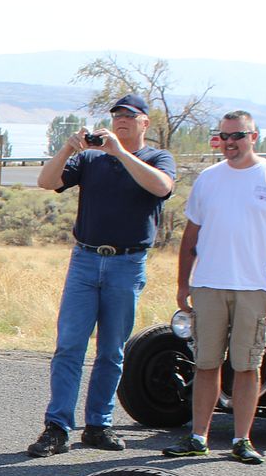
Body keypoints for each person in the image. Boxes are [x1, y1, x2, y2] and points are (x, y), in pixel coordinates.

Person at [26, 93, 177, 457]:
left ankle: (98, 424)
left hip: (127, 264)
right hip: (86, 260)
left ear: (145, 122)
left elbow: (162, 187)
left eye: (130, 116)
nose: (121, 120)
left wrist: (120, 154)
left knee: (111, 350)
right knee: (69, 347)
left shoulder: (156, 158)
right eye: (116, 115)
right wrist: (67, 148)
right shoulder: (90, 158)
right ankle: (57, 427)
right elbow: (47, 181)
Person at [162, 110, 266, 464]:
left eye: (237, 136)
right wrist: (184, 284)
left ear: (253, 137)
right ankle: (198, 436)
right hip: (209, 285)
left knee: (246, 365)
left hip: (255, 289)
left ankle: (242, 440)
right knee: (206, 362)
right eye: (223, 136)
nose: (229, 143)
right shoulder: (209, 180)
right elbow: (191, 236)